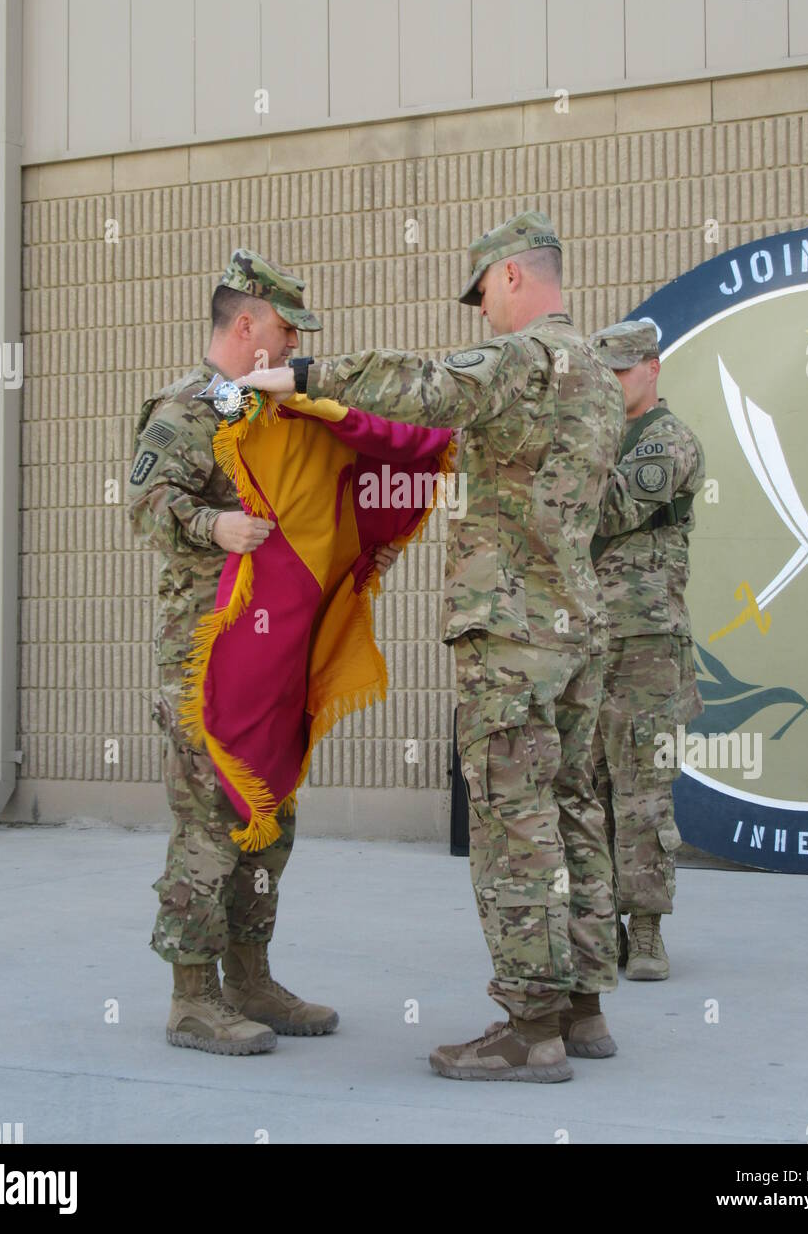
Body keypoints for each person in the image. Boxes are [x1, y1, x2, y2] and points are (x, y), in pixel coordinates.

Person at [239, 211, 625, 1083]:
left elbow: (426, 387)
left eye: (482, 291)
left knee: (511, 820)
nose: (482, 310)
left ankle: (529, 1030)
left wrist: (305, 374)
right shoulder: (600, 375)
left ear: (514, 275)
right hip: (576, 630)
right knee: (572, 810)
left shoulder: (523, 357)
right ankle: (583, 1009)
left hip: (512, 632)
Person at [127, 248, 398, 1056]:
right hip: (206, 661)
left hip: (273, 657)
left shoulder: (275, 409)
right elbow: (146, 500)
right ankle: (191, 997)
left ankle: (249, 979)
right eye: (285, 328)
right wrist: (212, 525)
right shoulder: (188, 406)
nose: (293, 344)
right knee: (210, 819)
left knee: (268, 818)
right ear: (245, 323)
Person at [589, 320, 705, 980]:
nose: (612, 383)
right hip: (584, 638)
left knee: (641, 790)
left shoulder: (667, 441)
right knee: (586, 786)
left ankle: (647, 929)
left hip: (645, 642)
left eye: (623, 371)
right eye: (603, 373)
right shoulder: (595, 437)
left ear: (652, 368)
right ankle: (598, 925)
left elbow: (609, 510)